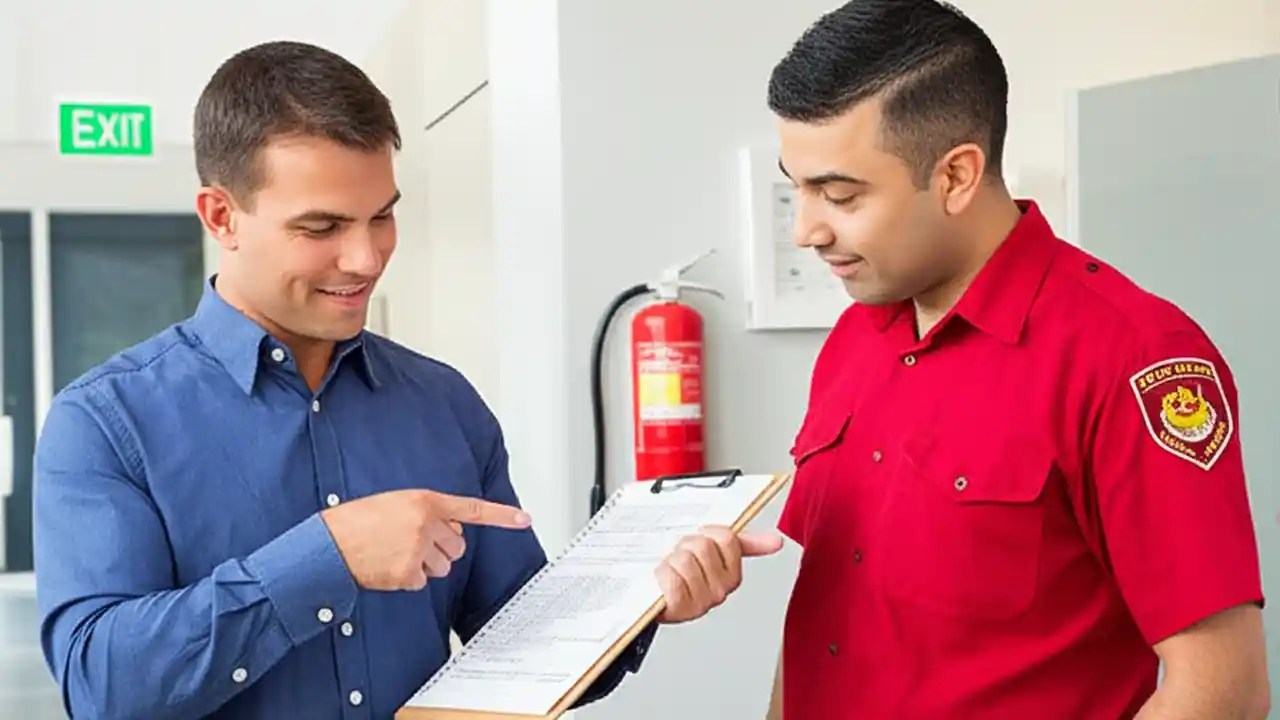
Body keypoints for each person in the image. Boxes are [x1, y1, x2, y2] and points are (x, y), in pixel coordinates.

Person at [33, 41, 782, 720]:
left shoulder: (444, 404)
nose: (365, 258)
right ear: (221, 216)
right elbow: (102, 689)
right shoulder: (105, 422)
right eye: (322, 227)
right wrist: (326, 557)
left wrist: (640, 599)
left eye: (382, 217)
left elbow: (521, 649)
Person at [764, 2, 1271, 718]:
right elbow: (823, 620)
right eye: (797, 188)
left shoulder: (1133, 358)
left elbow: (1222, 692)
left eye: (839, 196)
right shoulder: (853, 340)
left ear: (956, 176)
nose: (805, 230)